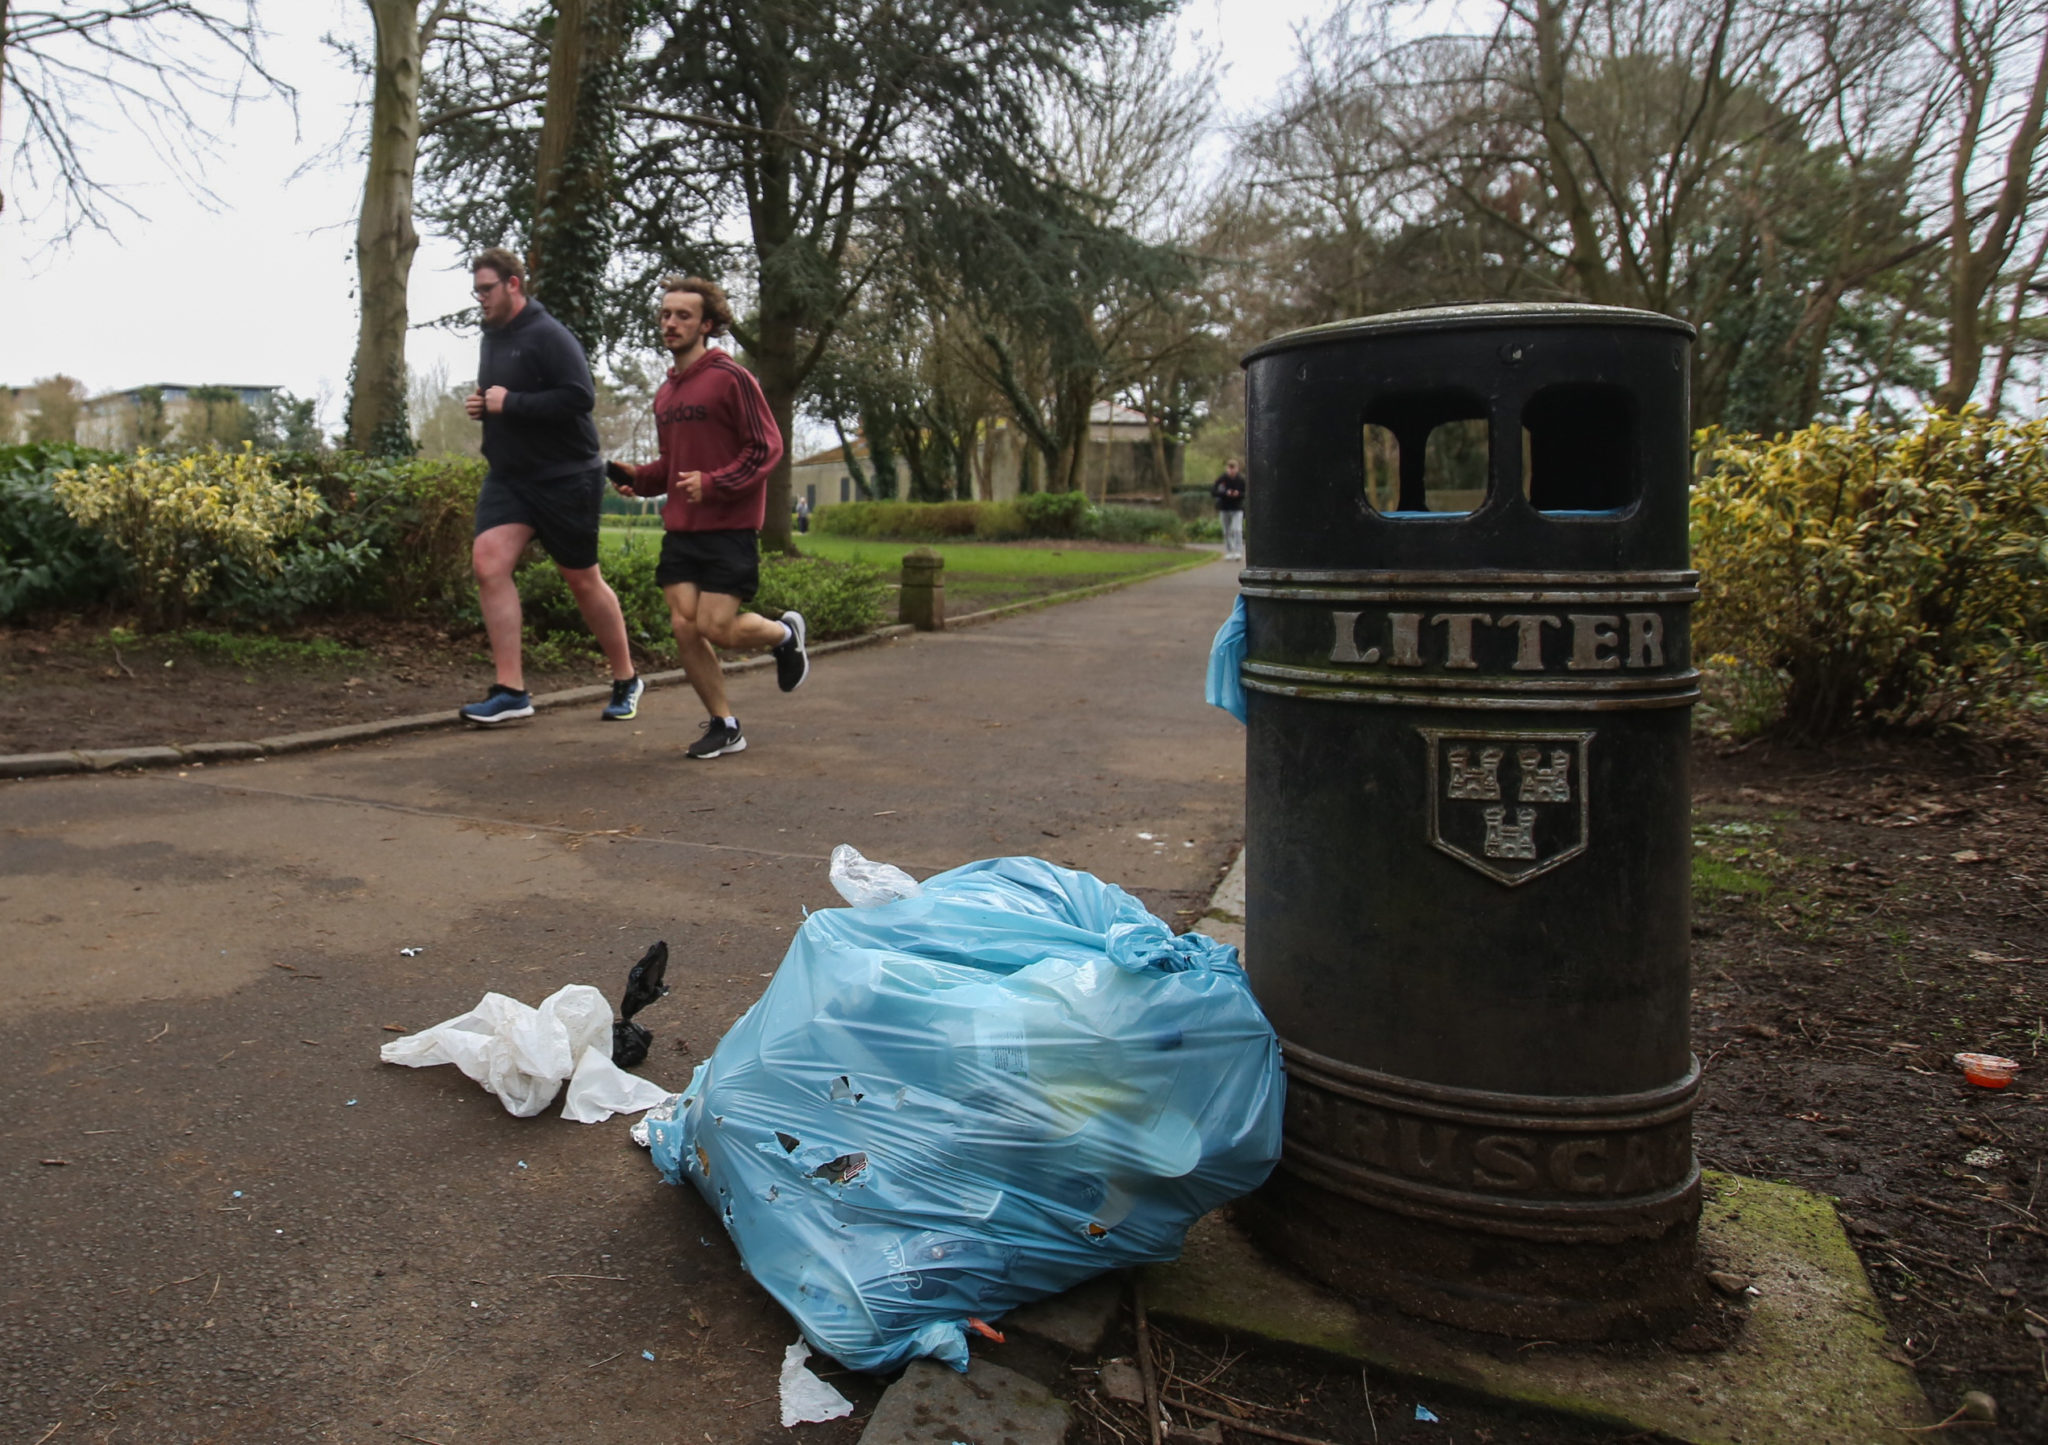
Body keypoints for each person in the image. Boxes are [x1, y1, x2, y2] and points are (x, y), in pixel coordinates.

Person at [609, 275, 806, 760]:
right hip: (681, 530)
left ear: (708, 324)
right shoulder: (665, 395)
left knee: (717, 627)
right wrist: (642, 478)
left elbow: (767, 446)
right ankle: (725, 724)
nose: (670, 323)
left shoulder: (731, 378)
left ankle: (785, 634)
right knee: (683, 625)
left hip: (729, 528)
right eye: (665, 314)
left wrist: (716, 483)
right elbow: (673, 466)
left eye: (683, 316)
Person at [459, 246, 643, 726]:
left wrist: (511, 403)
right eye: (476, 290)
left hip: (566, 476)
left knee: (582, 580)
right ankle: (511, 690)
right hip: (511, 476)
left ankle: (626, 677)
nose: (479, 298)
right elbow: (502, 397)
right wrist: (484, 405)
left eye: (485, 289)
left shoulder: (549, 334)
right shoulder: (491, 338)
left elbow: (579, 397)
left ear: (513, 284)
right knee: (488, 563)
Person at [1212, 457, 1247, 561]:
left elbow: (1246, 493)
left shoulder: (1241, 480)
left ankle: (1238, 551)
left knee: (1237, 530)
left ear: (1237, 468)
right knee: (1226, 531)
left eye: (1233, 468)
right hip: (1224, 508)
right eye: (1229, 468)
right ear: (1227, 468)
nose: (1231, 470)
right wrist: (1225, 493)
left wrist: (1238, 494)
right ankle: (1229, 551)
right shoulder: (1222, 479)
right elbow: (1213, 491)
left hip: (1237, 508)